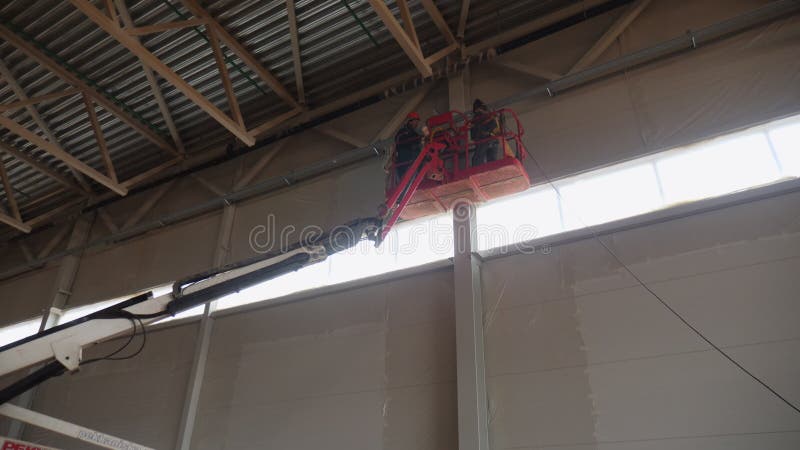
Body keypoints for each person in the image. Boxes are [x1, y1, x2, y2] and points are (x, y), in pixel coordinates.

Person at [392, 112, 429, 182]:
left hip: (409, 159)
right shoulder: (403, 132)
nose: (417, 123)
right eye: (416, 121)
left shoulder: (413, 133)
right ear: (410, 121)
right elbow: (402, 141)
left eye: (417, 121)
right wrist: (420, 139)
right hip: (405, 158)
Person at [470, 99, 501, 166]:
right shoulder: (491, 115)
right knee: (492, 161)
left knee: (477, 160)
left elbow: (474, 134)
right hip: (494, 140)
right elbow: (495, 127)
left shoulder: (477, 117)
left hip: (484, 140)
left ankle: (477, 171)